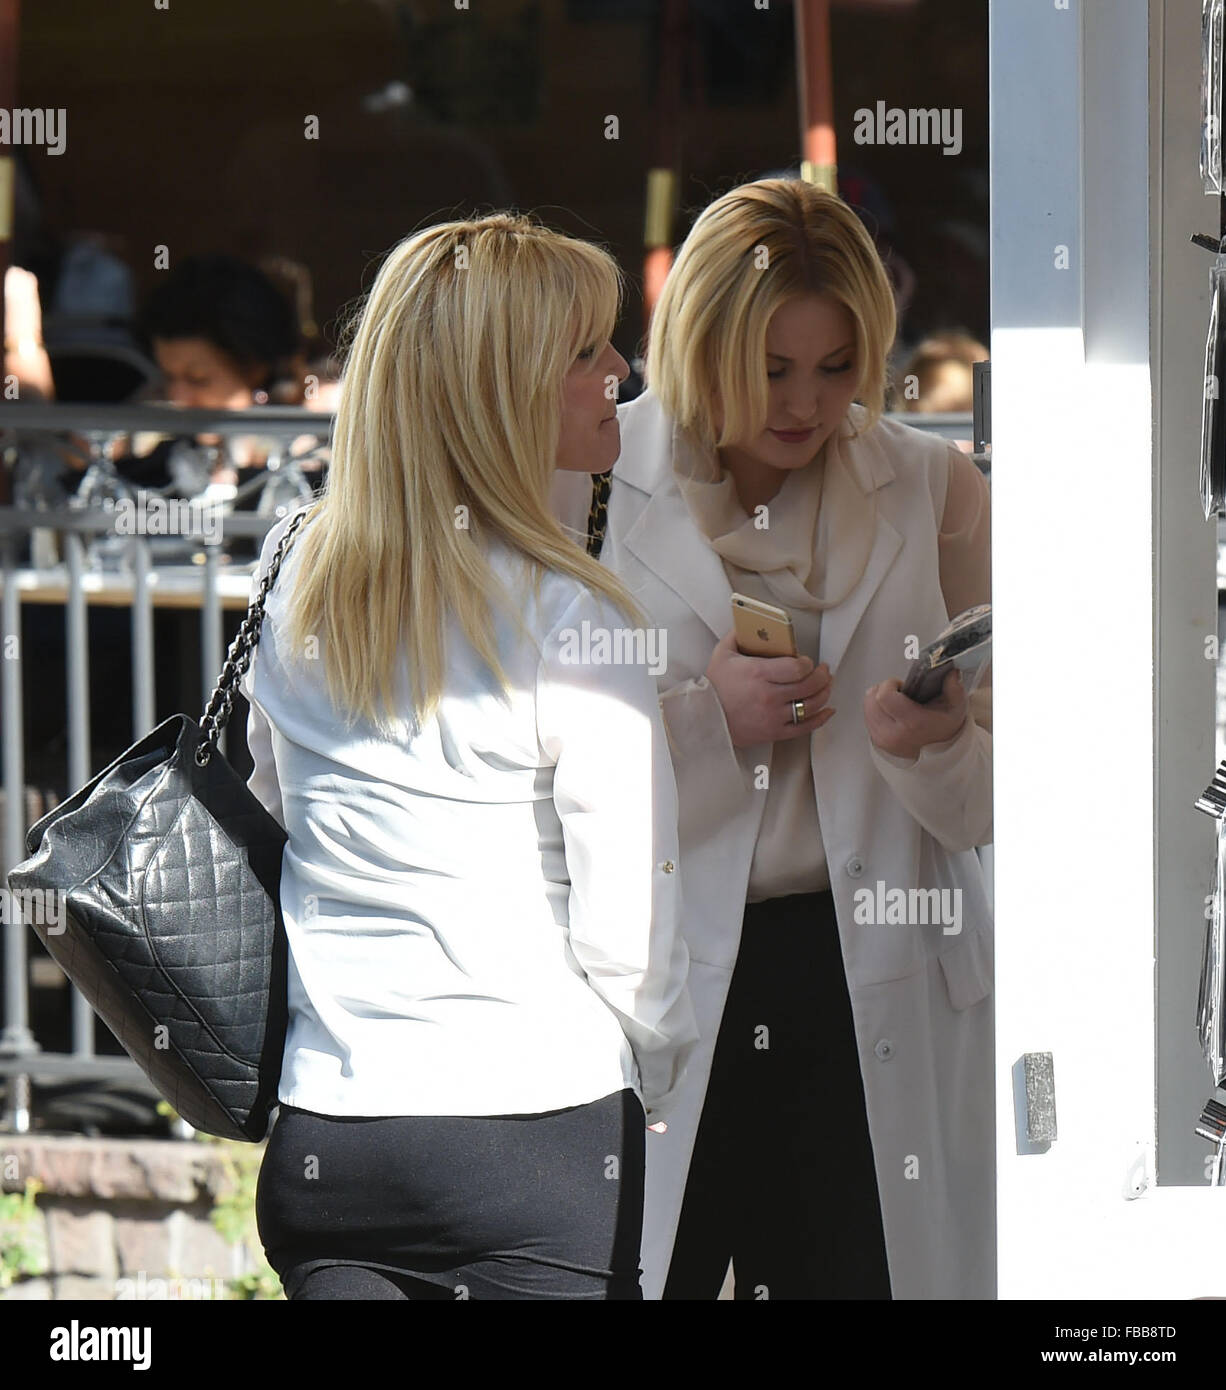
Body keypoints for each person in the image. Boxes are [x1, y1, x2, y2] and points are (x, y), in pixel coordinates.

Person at [243, 213, 697, 1301]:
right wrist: (655, 1071)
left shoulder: (293, 565)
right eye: (585, 351)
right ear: (502, 387)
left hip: (332, 1132)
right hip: (534, 1124)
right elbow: (629, 924)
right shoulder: (576, 613)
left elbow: (266, 805)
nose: (617, 372)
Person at [558, 177, 994, 1300]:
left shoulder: (936, 488)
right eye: (768, 366)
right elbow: (525, 767)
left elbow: (996, 807)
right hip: (658, 970)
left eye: (837, 364)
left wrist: (931, 742)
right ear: (700, 340)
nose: (805, 404)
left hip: (873, 972)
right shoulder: (587, 484)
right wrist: (706, 724)